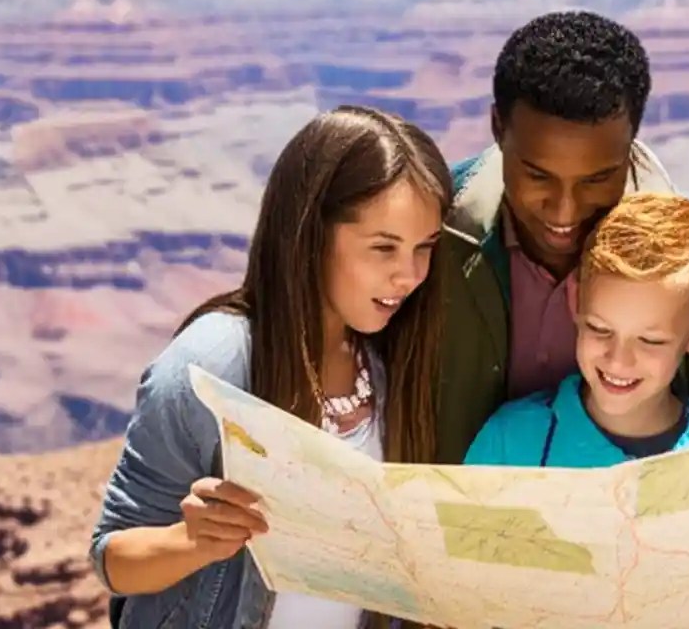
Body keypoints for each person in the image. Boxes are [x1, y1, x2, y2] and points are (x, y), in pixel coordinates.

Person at [89, 105, 452, 629]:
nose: (410, 275)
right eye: (383, 248)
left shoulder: (394, 361)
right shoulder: (210, 364)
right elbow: (112, 557)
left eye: (425, 248)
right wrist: (189, 542)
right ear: (311, 235)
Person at [435, 9, 689, 464]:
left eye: (597, 179)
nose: (566, 212)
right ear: (497, 129)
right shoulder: (428, 238)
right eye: (537, 176)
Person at [464, 192, 689, 468]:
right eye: (600, 329)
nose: (618, 360)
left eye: (650, 341)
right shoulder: (508, 445)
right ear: (575, 300)